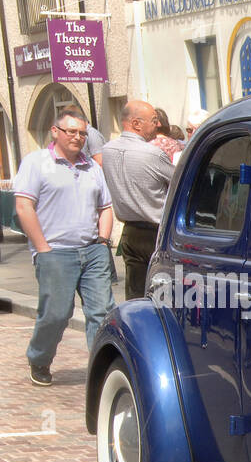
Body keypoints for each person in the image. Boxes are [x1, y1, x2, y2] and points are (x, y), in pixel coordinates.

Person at [13, 109, 115, 386]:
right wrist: (42, 248)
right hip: (55, 251)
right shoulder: (36, 163)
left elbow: (106, 207)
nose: (78, 137)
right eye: (71, 131)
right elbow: (24, 206)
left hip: (93, 250)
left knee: (102, 313)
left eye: (82, 133)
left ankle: (101, 368)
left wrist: (103, 241)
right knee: (57, 313)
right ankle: (39, 358)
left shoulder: (92, 167)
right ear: (55, 131)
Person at [100, 100, 175, 299]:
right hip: (156, 232)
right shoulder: (152, 153)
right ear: (136, 124)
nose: (158, 125)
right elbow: (178, 184)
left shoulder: (107, 151)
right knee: (162, 294)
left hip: (130, 232)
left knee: (135, 293)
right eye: (154, 120)